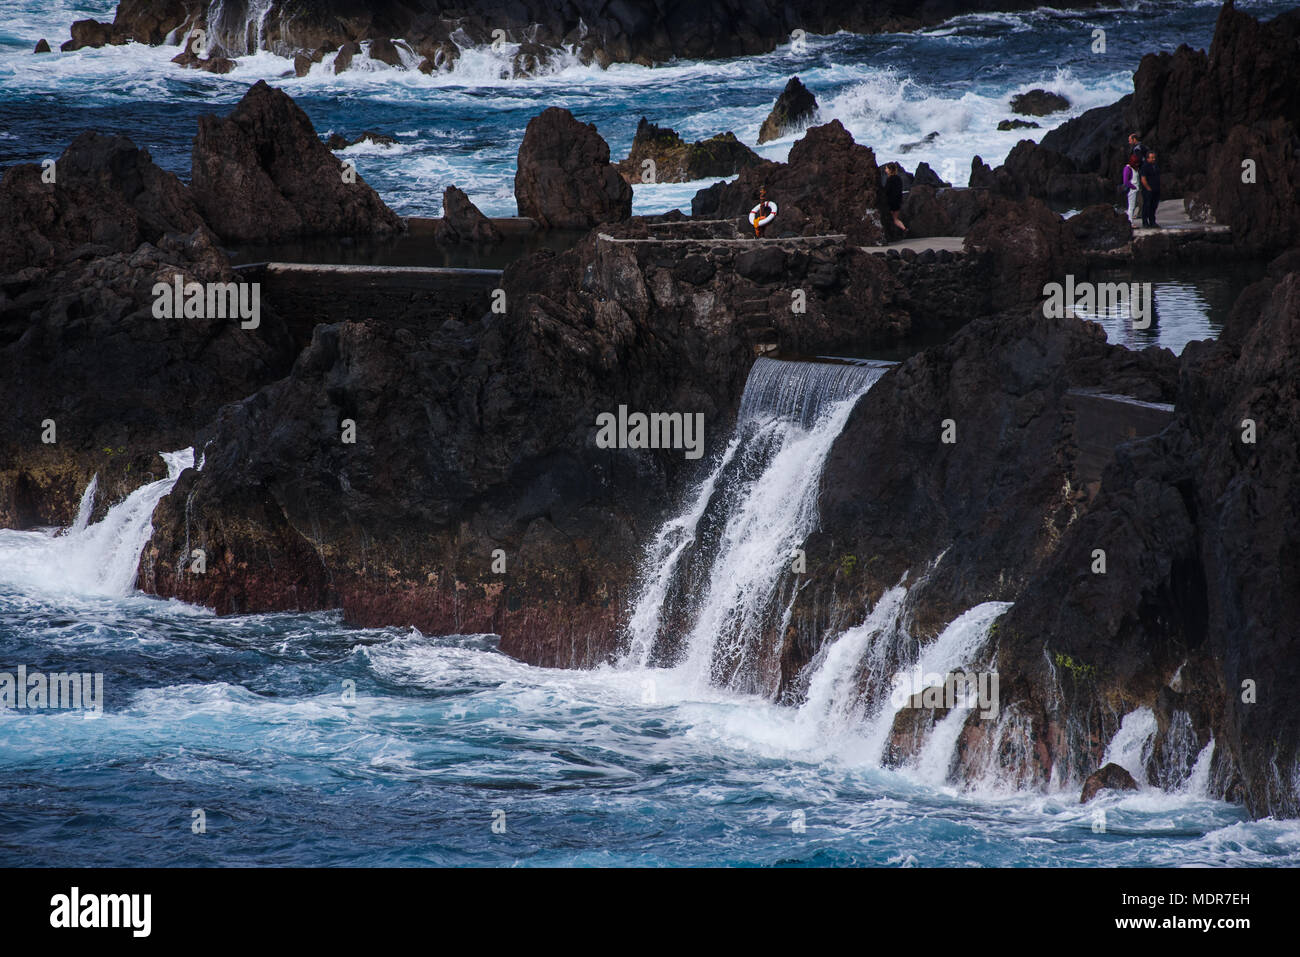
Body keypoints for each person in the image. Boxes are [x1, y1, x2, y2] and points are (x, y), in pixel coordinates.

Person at [1139, 150, 1161, 228]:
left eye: (1154, 157)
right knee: (1146, 206)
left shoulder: (1156, 166)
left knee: (1153, 206)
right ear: (1147, 158)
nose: (1153, 159)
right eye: (1151, 158)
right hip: (1148, 190)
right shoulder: (1145, 166)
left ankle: (1152, 221)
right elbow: (1143, 179)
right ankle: (1145, 222)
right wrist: (1148, 188)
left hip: (1156, 189)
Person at [884, 163, 906, 234]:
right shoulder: (898, 178)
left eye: (886, 168)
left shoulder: (890, 179)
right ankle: (904, 228)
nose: (885, 170)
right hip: (898, 201)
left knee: (888, 218)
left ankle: (889, 233)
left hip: (890, 202)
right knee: (895, 219)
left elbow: (887, 190)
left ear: (890, 170)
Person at [1122, 153, 1141, 225]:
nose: (1137, 164)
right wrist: (1134, 187)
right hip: (1131, 190)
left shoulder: (1134, 168)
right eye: (1136, 163)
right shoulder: (1127, 168)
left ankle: (1129, 220)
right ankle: (1130, 222)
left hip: (1135, 190)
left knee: (1133, 206)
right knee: (1131, 207)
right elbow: (1125, 181)